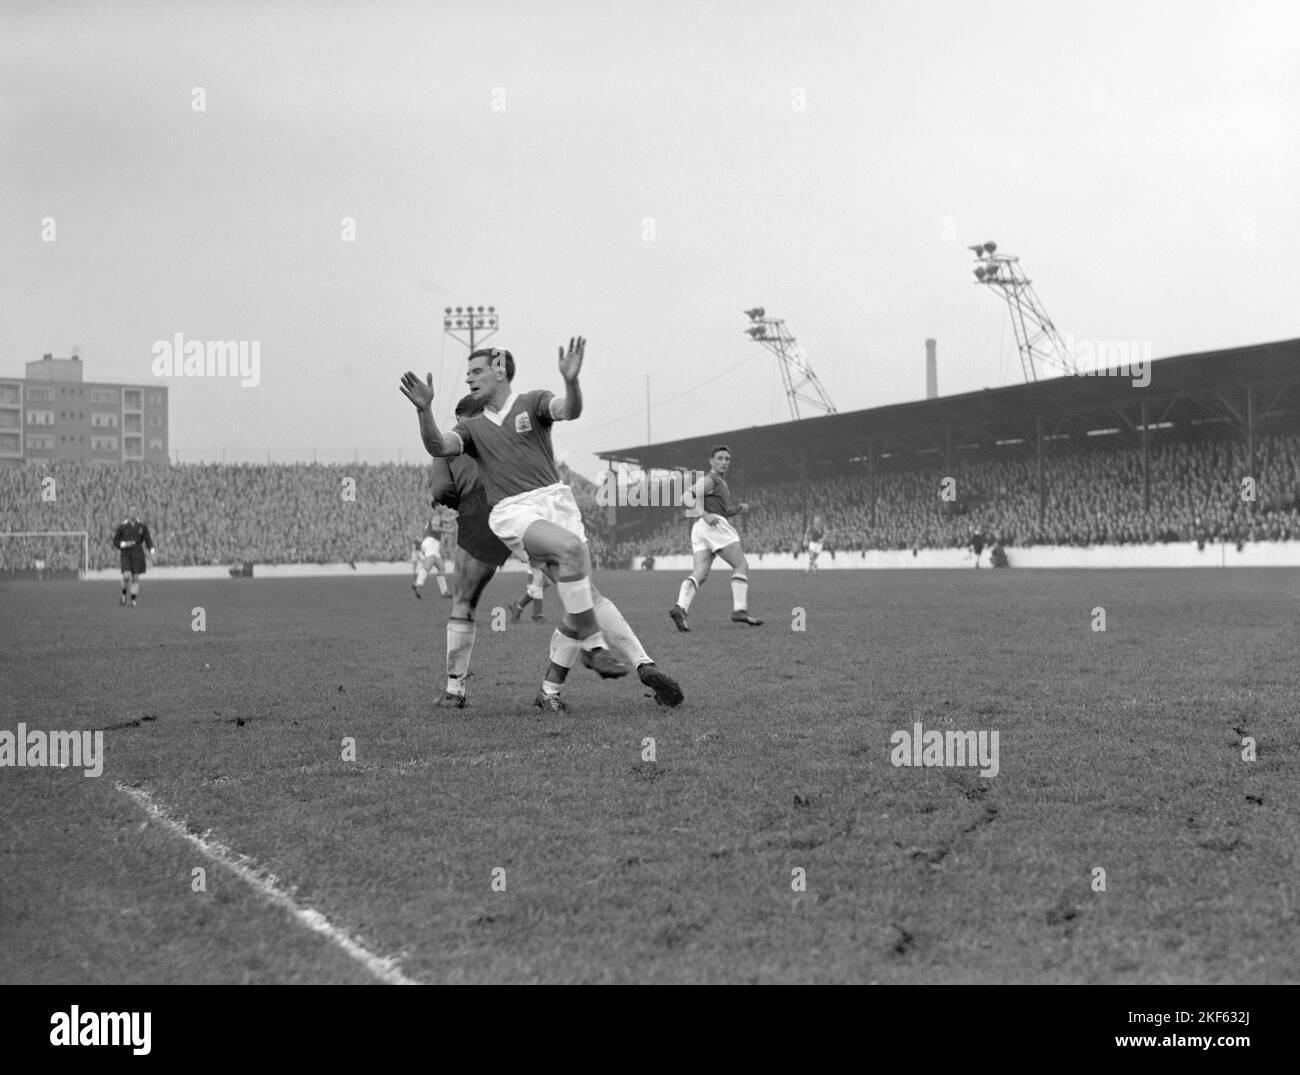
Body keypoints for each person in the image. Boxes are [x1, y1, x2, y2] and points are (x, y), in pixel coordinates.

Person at [402, 343, 681, 712]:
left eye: (477, 371)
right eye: (468, 373)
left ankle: (502, 690)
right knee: (576, 576)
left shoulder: (521, 407)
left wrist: (572, 381)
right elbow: (439, 448)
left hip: (525, 511)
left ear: (499, 372)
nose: (469, 377)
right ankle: (606, 654)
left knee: (566, 593)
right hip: (509, 512)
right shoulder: (471, 426)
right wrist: (425, 411)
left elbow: (569, 410)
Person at [669, 445, 763, 631]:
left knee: (701, 573)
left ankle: (680, 608)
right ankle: (740, 610)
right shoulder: (711, 479)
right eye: (719, 458)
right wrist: (705, 514)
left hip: (701, 529)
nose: (724, 462)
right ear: (711, 461)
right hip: (712, 524)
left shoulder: (720, 482)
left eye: (727, 459)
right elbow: (686, 497)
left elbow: (723, 510)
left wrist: (737, 509)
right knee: (741, 565)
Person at [111, 512, 155, 606]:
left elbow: (147, 539)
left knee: (135, 577)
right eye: (131, 511)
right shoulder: (123, 526)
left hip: (138, 554)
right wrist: (124, 544)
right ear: (128, 513)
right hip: (126, 553)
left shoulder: (142, 526)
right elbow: (115, 541)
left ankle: (133, 600)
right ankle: (123, 595)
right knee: (126, 575)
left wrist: (151, 550)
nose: (133, 513)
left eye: (135, 511)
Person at [411, 515, 451, 599]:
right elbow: (435, 527)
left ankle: (444, 592)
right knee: (428, 563)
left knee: (441, 568)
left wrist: (457, 515)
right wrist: (448, 530)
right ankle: (417, 584)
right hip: (431, 543)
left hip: (432, 544)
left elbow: (447, 520)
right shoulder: (436, 516)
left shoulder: (437, 517)